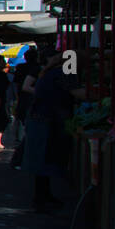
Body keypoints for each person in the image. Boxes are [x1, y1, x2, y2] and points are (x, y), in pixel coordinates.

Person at [22, 48, 84, 212]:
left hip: (41, 118)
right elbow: (77, 92)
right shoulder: (64, 72)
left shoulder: (49, 71)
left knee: (43, 161)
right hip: (48, 120)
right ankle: (41, 198)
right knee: (45, 159)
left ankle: (43, 195)